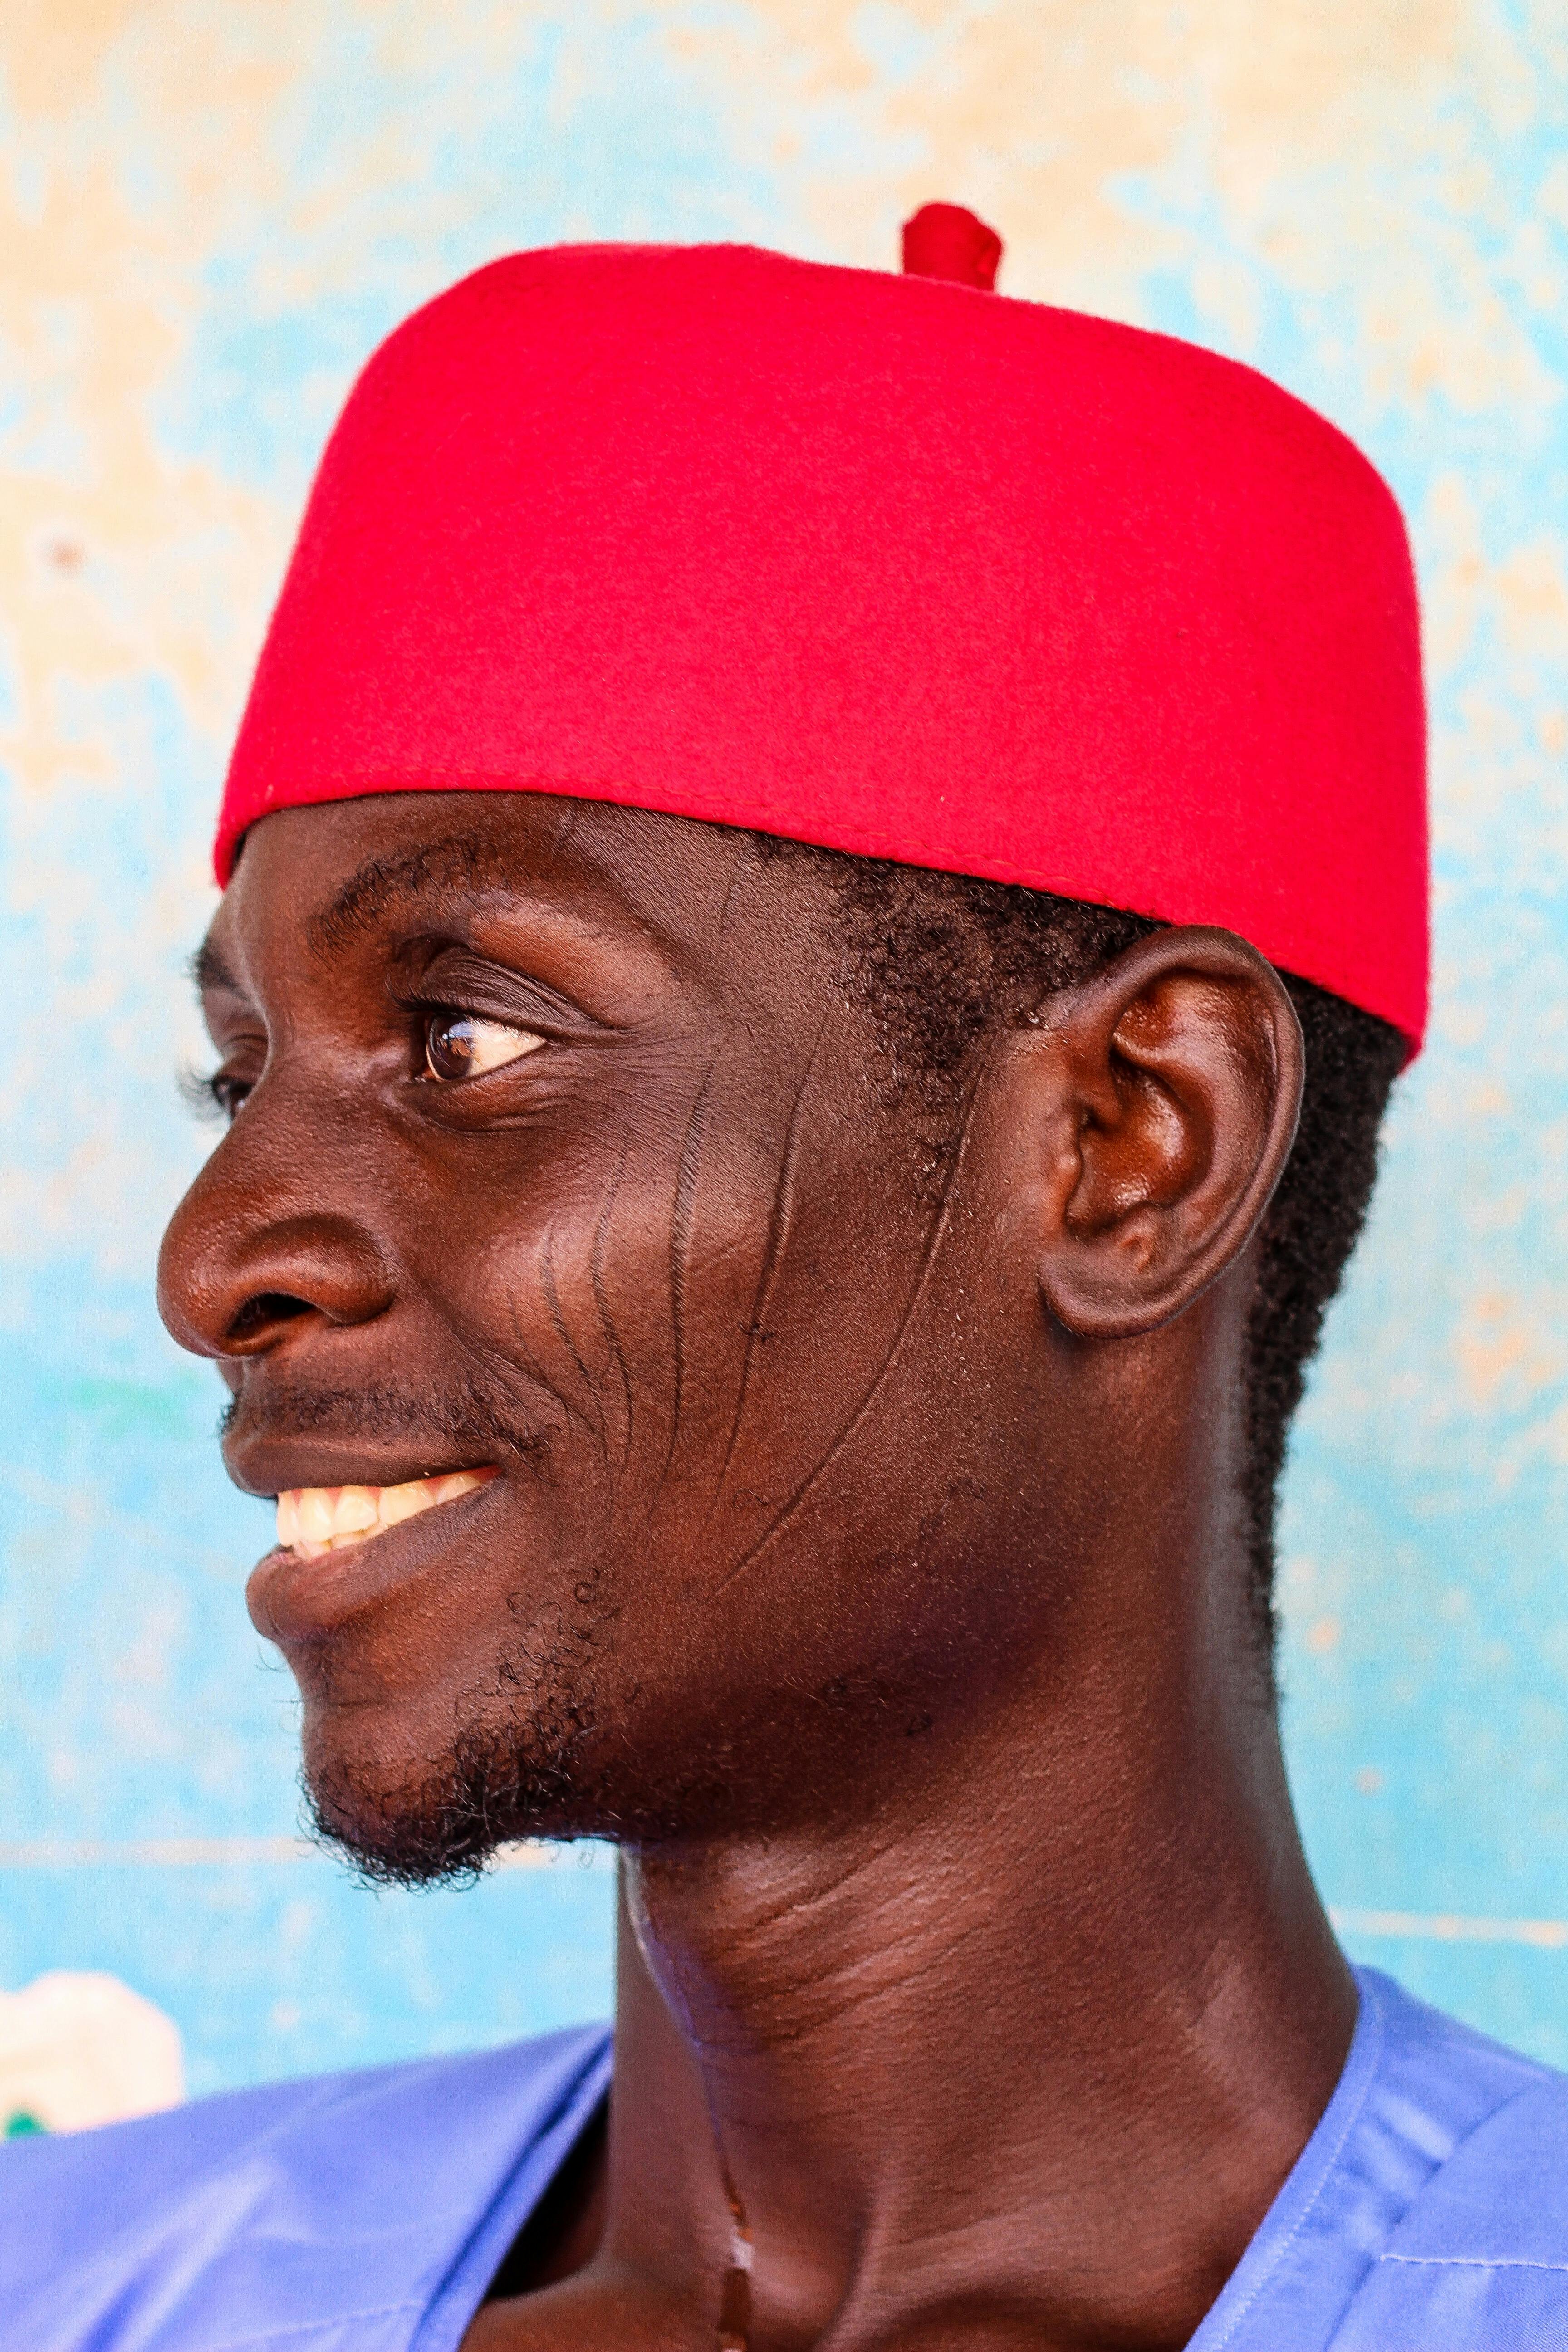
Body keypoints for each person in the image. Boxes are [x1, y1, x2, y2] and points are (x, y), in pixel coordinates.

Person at [7, 204, 1566, 2352]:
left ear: (1134, 1143)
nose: (212, 1265)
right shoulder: (78, 2283)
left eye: (467, 1042)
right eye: (242, 1071)